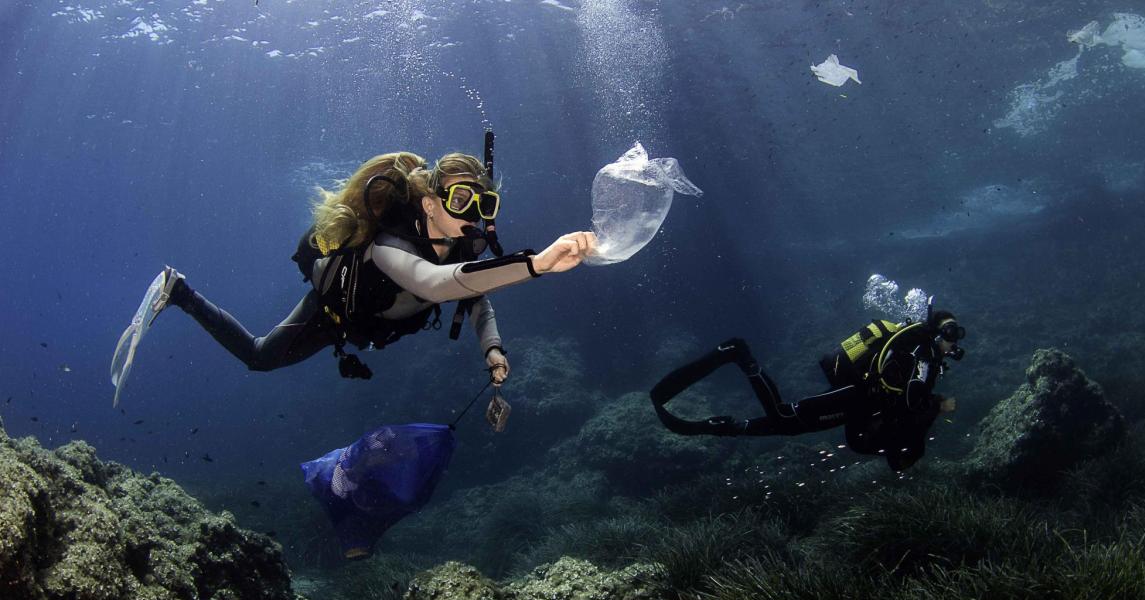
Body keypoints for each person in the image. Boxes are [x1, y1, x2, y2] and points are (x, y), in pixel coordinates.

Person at [116, 148, 596, 396]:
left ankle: (179, 292)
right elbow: (435, 284)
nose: (474, 214)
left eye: (484, 204)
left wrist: (492, 349)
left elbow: (474, 295)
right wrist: (536, 264)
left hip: (377, 323)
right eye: (462, 199)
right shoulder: (389, 244)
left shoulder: (465, 242)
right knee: (260, 358)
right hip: (335, 314)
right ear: (430, 203)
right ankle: (179, 291)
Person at [650, 307, 965, 471]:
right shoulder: (923, 353)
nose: (955, 340)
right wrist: (938, 404)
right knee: (785, 417)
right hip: (857, 396)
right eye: (951, 331)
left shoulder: (922, 353)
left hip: (860, 403)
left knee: (789, 426)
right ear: (937, 332)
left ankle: (727, 427)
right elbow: (911, 398)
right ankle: (740, 354)